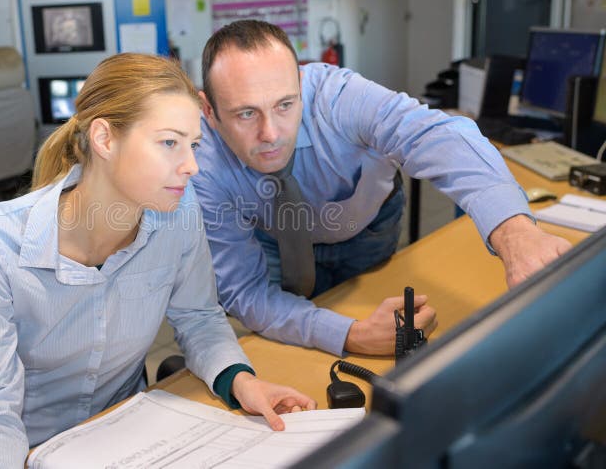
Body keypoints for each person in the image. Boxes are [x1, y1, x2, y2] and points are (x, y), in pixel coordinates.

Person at [0, 53, 316, 468]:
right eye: (169, 143)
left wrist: (240, 381)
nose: (191, 166)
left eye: (193, 145)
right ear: (104, 139)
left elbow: (199, 316)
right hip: (21, 451)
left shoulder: (178, 209)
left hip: (120, 442)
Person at [191, 19, 572, 357]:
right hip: (272, 241)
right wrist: (352, 336)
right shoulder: (201, 163)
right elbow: (246, 293)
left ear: (301, 82)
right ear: (209, 111)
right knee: (296, 349)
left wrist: (515, 232)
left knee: (376, 308)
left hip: (366, 228)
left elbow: (433, 135)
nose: (270, 133)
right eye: (246, 113)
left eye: (285, 105)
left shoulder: (336, 96)